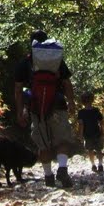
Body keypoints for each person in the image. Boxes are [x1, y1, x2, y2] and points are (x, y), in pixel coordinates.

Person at [14, 29, 79, 189]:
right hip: (58, 104)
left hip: (36, 107)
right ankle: (62, 168)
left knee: (43, 143)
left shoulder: (25, 62)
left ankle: (48, 176)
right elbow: (66, 83)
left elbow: (18, 90)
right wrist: (71, 103)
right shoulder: (56, 60)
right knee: (63, 139)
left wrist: (20, 111)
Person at [77, 91, 104, 174]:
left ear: (82, 101)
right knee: (99, 149)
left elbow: (81, 125)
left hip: (87, 134)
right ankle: (100, 164)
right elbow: (101, 122)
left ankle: (93, 164)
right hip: (97, 132)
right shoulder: (96, 110)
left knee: (90, 150)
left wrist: (80, 135)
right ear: (92, 100)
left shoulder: (81, 112)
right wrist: (102, 130)